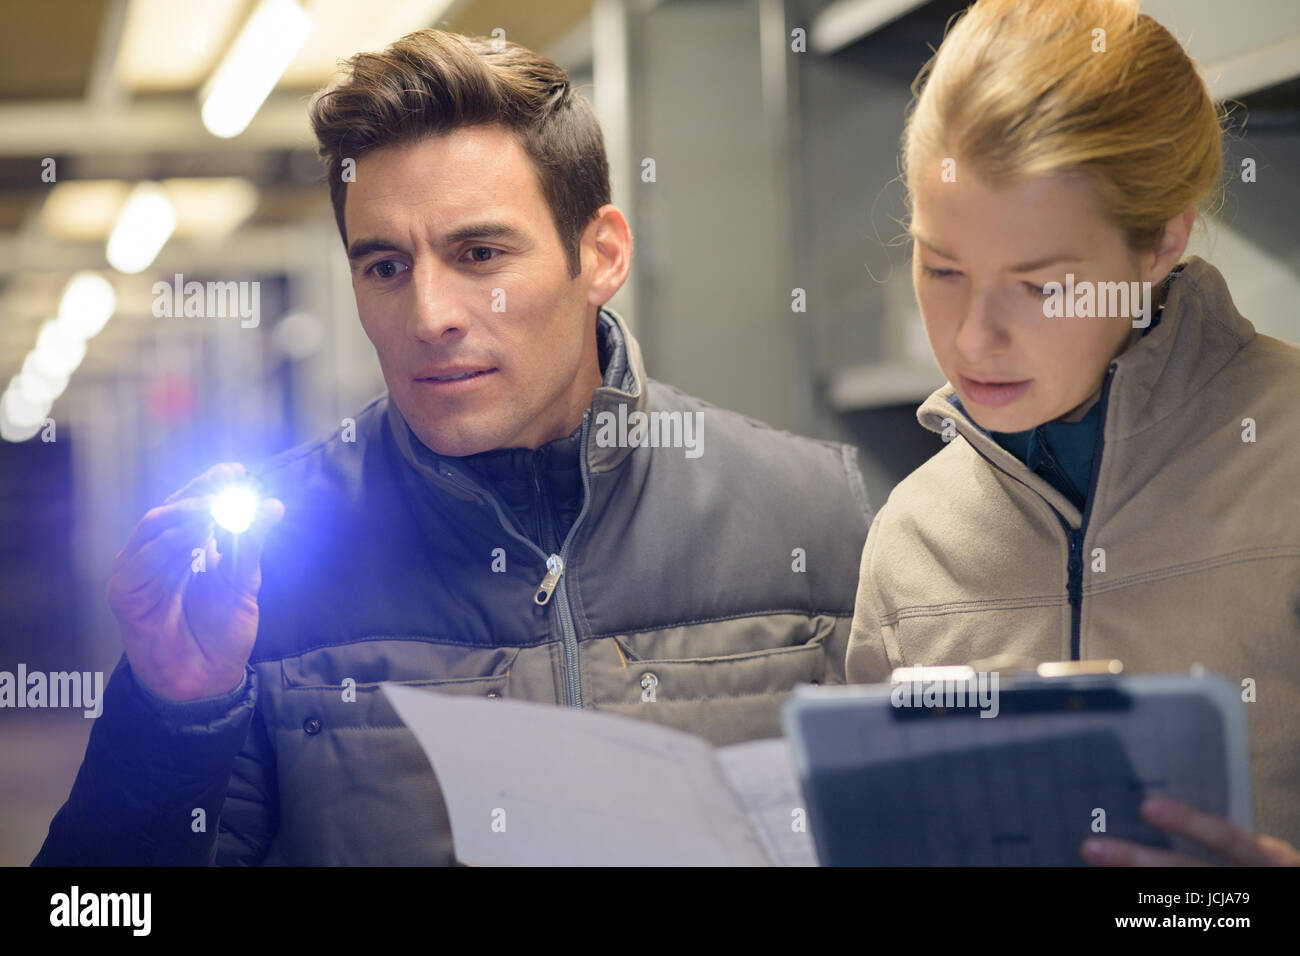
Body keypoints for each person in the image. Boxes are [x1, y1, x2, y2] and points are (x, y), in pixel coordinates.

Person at [34, 30, 872, 865]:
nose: (429, 314)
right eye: (386, 267)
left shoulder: (812, 515)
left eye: (479, 254)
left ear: (602, 254)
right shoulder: (266, 572)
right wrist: (172, 715)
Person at [845, 0, 1300, 864]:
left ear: (1162, 240)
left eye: (1042, 284)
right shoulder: (908, 534)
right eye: (941, 268)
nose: (973, 339)